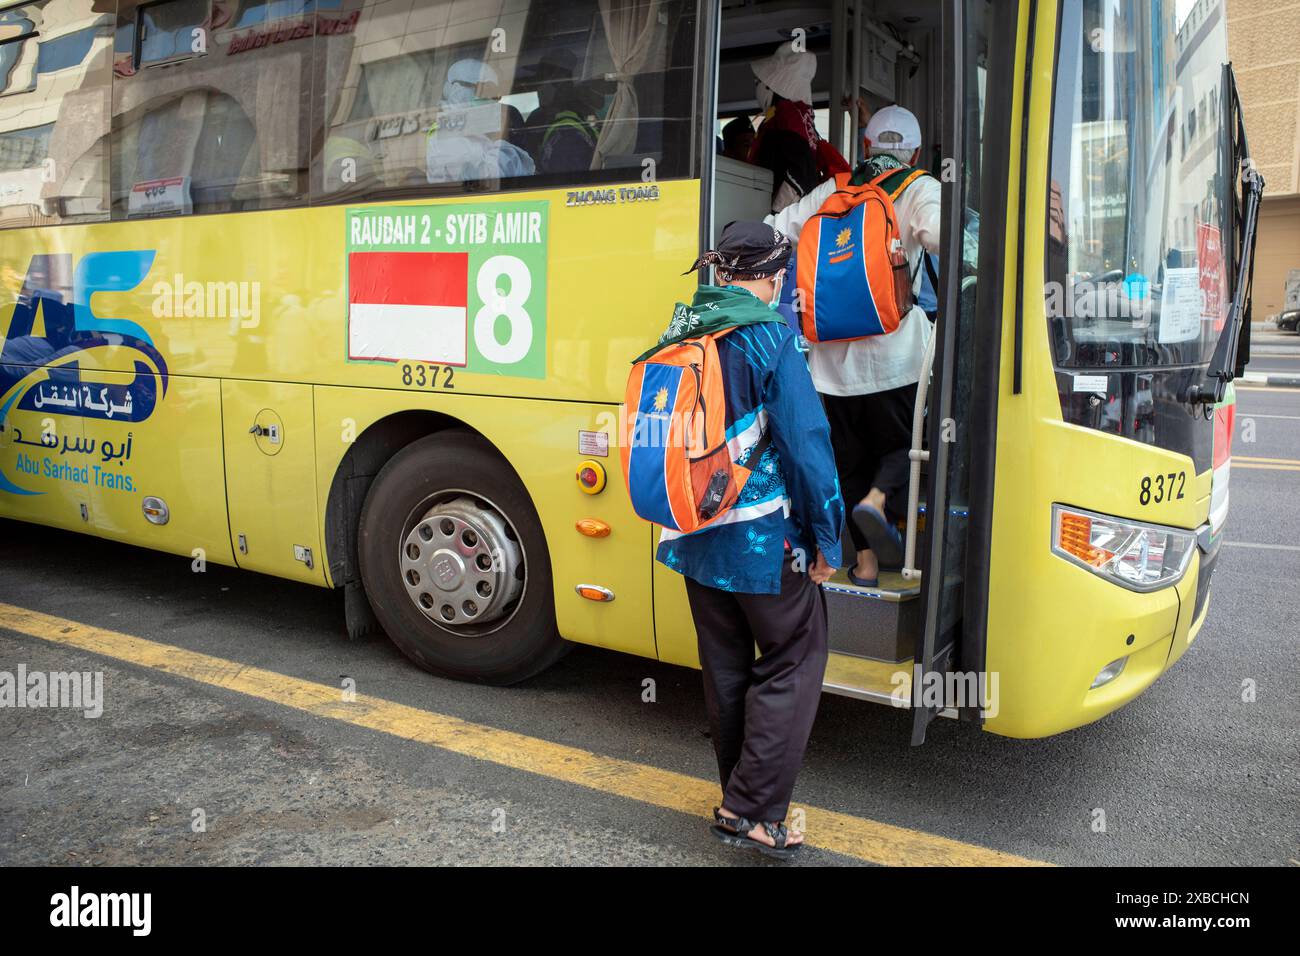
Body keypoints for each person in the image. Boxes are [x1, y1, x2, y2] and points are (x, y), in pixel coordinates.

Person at [646, 222, 843, 858]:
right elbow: (808, 447)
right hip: (760, 539)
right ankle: (755, 814)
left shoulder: (680, 329)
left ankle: (737, 800)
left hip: (693, 532)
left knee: (726, 665)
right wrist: (826, 540)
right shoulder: (768, 339)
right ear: (772, 277)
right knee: (795, 655)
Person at [768, 104, 941, 586]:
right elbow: (946, 236)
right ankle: (879, 500)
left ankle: (863, 562)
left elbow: (777, 227)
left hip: (831, 367)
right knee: (904, 447)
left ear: (865, 147)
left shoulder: (833, 188)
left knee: (848, 461)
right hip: (897, 359)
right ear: (916, 152)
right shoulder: (919, 188)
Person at [747, 41, 848, 211]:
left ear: (770, 86)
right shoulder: (803, 118)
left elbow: (799, 172)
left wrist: (775, 215)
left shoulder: (785, 116)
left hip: (780, 218)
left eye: (758, 82)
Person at [426, 59, 535, 184]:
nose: (495, 100)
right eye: (488, 90)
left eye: (497, 95)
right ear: (459, 89)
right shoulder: (447, 133)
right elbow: (485, 182)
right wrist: (500, 137)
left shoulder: (468, 128)